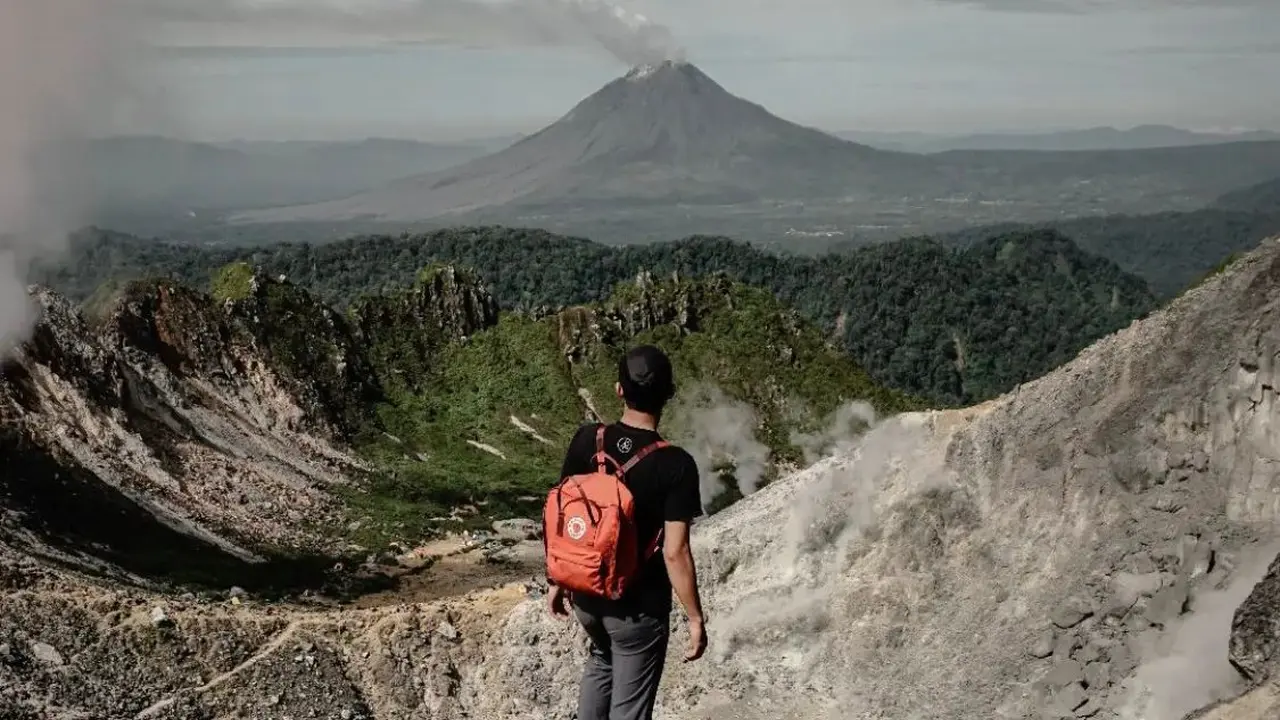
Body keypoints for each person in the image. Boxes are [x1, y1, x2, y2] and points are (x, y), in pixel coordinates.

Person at [546, 344, 708, 720]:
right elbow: (675, 552)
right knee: (630, 711)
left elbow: (563, 517)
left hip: (586, 596)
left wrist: (557, 578)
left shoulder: (587, 439)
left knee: (602, 660)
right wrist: (695, 618)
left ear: (619, 389)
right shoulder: (676, 465)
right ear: (669, 394)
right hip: (637, 610)